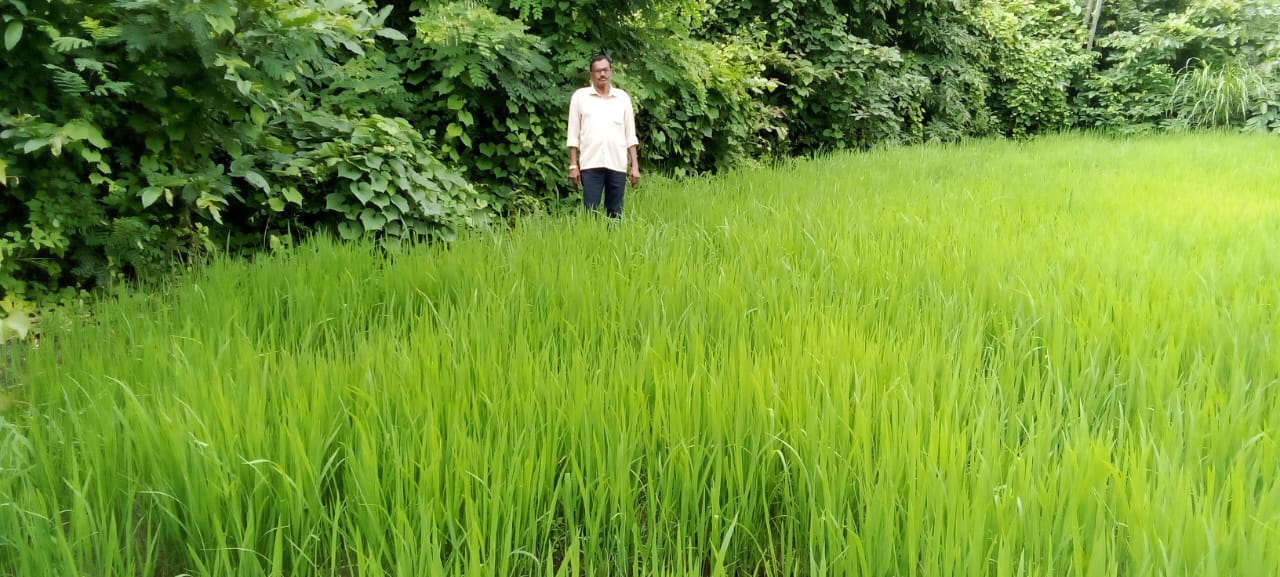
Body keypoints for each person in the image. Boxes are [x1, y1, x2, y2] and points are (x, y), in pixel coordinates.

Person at [566, 55, 640, 218]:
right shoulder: (580, 97)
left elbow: (630, 135)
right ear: (591, 75)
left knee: (615, 213)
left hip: (617, 164)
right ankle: (591, 235)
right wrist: (573, 165)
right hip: (590, 163)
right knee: (590, 211)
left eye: (605, 70)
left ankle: (614, 235)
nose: (602, 74)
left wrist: (635, 166)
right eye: (598, 71)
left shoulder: (622, 98)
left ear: (611, 72)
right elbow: (573, 133)